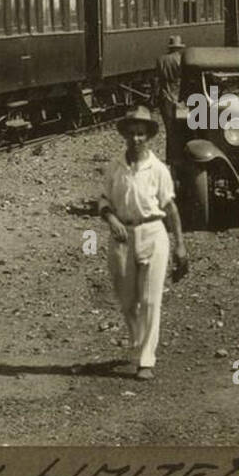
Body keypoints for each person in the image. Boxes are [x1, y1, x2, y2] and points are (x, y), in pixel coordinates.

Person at [98, 106, 187, 381]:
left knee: (150, 300)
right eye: (132, 133)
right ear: (124, 134)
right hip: (122, 236)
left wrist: (180, 245)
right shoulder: (114, 167)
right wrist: (111, 219)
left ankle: (146, 359)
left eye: (141, 134)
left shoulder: (158, 169)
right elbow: (103, 201)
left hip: (153, 234)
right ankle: (137, 344)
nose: (136, 139)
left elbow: (170, 208)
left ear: (148, 137)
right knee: (127, 302)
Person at [156, 35, 186, 134]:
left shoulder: (161, 59)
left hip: (165, 95)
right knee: (181, 126)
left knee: (169, 127)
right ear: (179, 48)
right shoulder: (181, 60)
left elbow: (158, 77)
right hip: (180, 96)